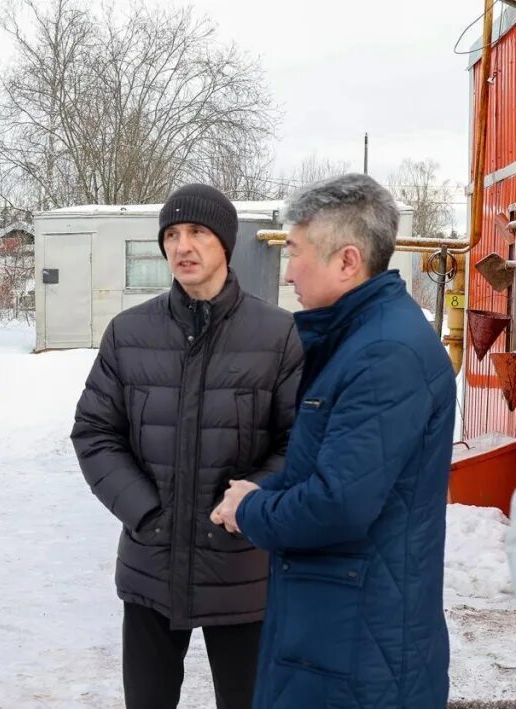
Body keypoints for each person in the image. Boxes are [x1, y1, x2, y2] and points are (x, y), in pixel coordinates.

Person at [212, 173, 455, 709]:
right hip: (341, 630)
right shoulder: (359, 339)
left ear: (347, 261)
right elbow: (339, 469)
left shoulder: (384, 355)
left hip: (360, 653)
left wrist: (250, 509)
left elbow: (338, 504)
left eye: (296, 252)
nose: (288, 270)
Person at [71, 184, 302, 709]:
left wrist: (250, 501)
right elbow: (94, 431)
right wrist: (144, 511)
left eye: (197, 232)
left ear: (226, 242)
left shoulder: (277, 335)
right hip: (151, 564)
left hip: (242, 565)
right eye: (172, 235)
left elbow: (300, 442)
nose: (183, 246)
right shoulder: (129, 333)